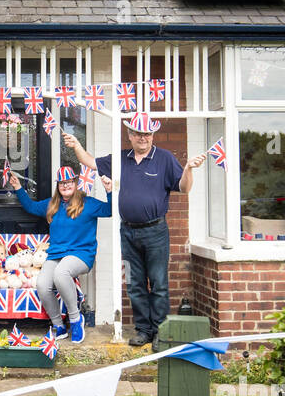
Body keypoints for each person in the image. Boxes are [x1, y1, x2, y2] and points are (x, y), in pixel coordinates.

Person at [65, 113, 204, 347]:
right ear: (130, 135)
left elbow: (184, 187)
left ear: (152, 136)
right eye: (138, 133)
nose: (143, 138)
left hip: (156, 232)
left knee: (158, 283)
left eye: (147, 134)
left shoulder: (165, 159)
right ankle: (143, 330)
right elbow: (90, 161)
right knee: (134, 282)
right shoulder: (120, 159)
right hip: (128, 233)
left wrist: (189, 168)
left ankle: (161, 331)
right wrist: (77, 145)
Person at [9, 166, 113, 344]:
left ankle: (75, 320)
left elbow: (110, 210)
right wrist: (18, 187)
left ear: (75, 183)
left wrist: (109, 190)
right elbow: (31, 206)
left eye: (69, 182)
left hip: (81, 254)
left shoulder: (88, 203)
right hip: (56, 254)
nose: (65, 186)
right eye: (62, 183)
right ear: (58, 186)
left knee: (61, 273)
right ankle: (59, 325)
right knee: (42, 284)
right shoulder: (52, 205)